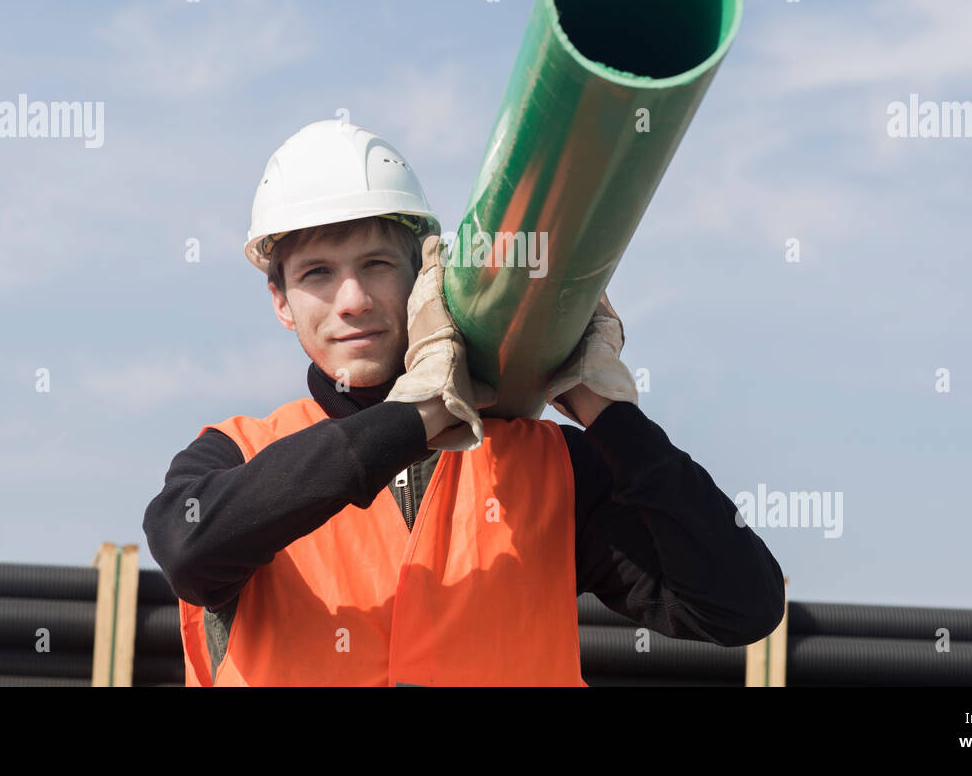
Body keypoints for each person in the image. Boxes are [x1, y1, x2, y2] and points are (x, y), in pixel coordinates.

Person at [142, 119, 785, 686]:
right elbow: (191, 552)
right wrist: (418, 417)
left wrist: (611, 415)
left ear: (424, 275)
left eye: (375, 265)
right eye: (317, 273)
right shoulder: (233, 454)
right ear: (281, 301)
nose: (353, 299)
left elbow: (740, 608)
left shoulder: (550, 469)